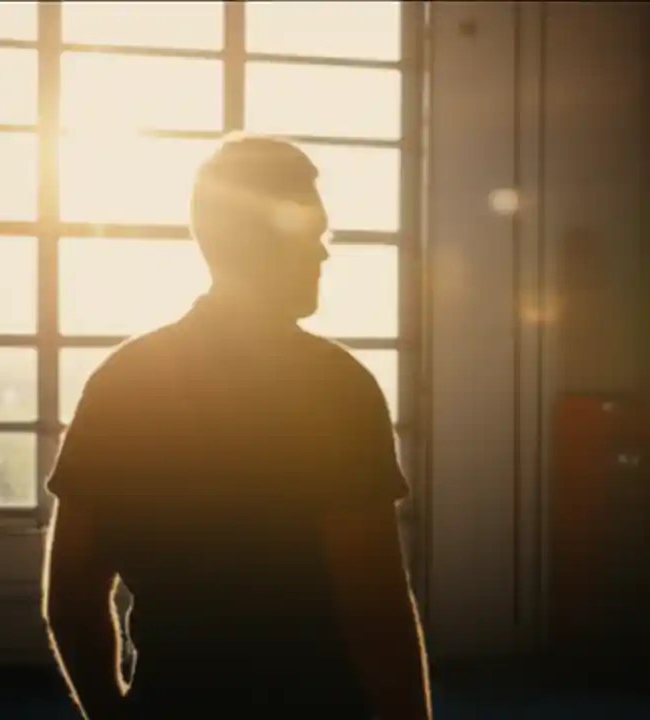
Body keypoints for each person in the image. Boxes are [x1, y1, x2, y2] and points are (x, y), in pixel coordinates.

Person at [41, 133, 432, 719]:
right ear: (265, 240)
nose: (324, 254)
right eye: (313, 233)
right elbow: (374, 607)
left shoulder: (123, 382)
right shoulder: (335, 389)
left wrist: (108, 713)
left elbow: (71, 595)